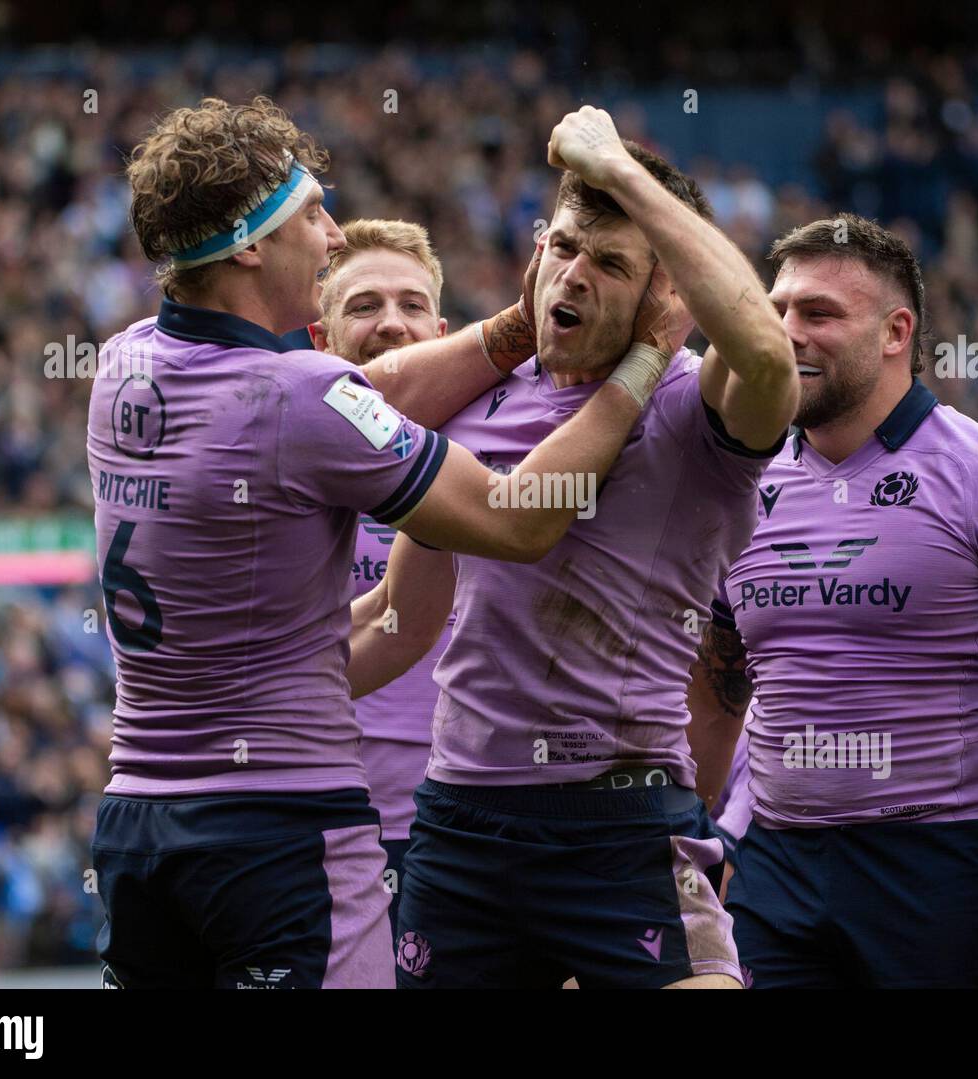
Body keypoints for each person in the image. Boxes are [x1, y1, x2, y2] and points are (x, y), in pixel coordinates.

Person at [88, 96, 680, 989]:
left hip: (138, 828)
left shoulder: (122, 362)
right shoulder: (301, 397)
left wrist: (512, 332)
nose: (329, 232)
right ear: (250, 247)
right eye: (311, 211)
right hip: (279, 837)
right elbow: (519, 520)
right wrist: (643, 366)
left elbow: (361, 430)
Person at [348, 106, 797, 989]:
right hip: (462, 814)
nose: (577, 274)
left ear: (663, 292)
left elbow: (770, 360)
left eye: (614, 264)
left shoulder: (691, 406)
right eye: (563, 248)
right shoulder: (483, 385)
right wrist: (514, 325)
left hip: (618, 810)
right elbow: (354, 407)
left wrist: (626, 171)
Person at [693, 212, 978, 989]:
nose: (787, 333)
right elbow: (720, 683)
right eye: (776, 311)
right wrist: (693, 843)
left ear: (896, 331)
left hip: (941, 865)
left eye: (819, 313)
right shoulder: (736, 481)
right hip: (774, 863)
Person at [306, 218, 452, 932]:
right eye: (364, 306)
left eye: (412, 305)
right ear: (319, 338)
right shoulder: (279, 466)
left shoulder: (513, 459)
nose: (392, 324)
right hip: (314, 832)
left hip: (472, 837)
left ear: (444, 329)